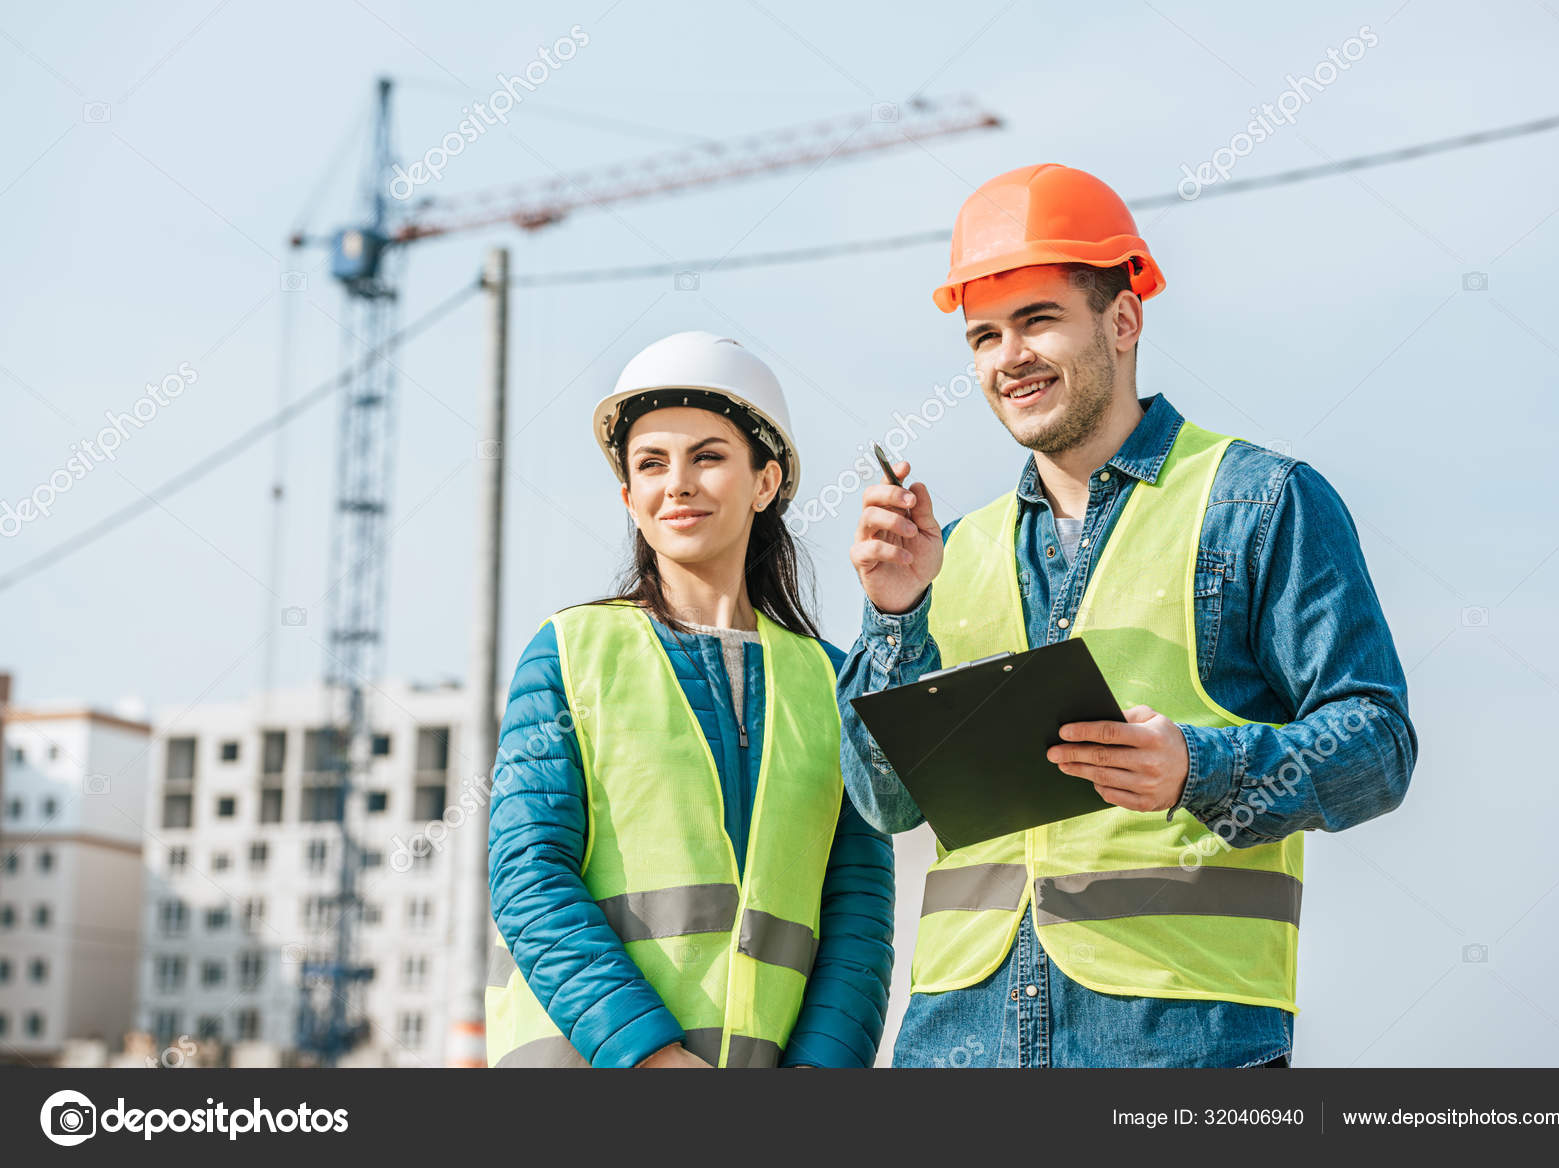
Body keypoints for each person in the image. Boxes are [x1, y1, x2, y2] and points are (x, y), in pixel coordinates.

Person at [839, 164, 1417, 1068]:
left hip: (1176, 1044)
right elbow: (883, 803)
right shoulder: (948, 554)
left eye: (1038, 320)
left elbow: (1377, 747)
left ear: (1123, 318)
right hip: (959, 1043)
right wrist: (893, 614)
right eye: (985, 335)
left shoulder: (1260, 503)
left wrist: (1199, 766)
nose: (1008, 357)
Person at [487, 331, 894, 1068]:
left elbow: (858, 912)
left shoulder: (832, 683)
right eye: (651, 463)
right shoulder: (570, 654)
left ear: (765, 483)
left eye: (707, 457)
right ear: (629, 497)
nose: (677, 484)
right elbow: (528, 875)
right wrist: (649, 1054)